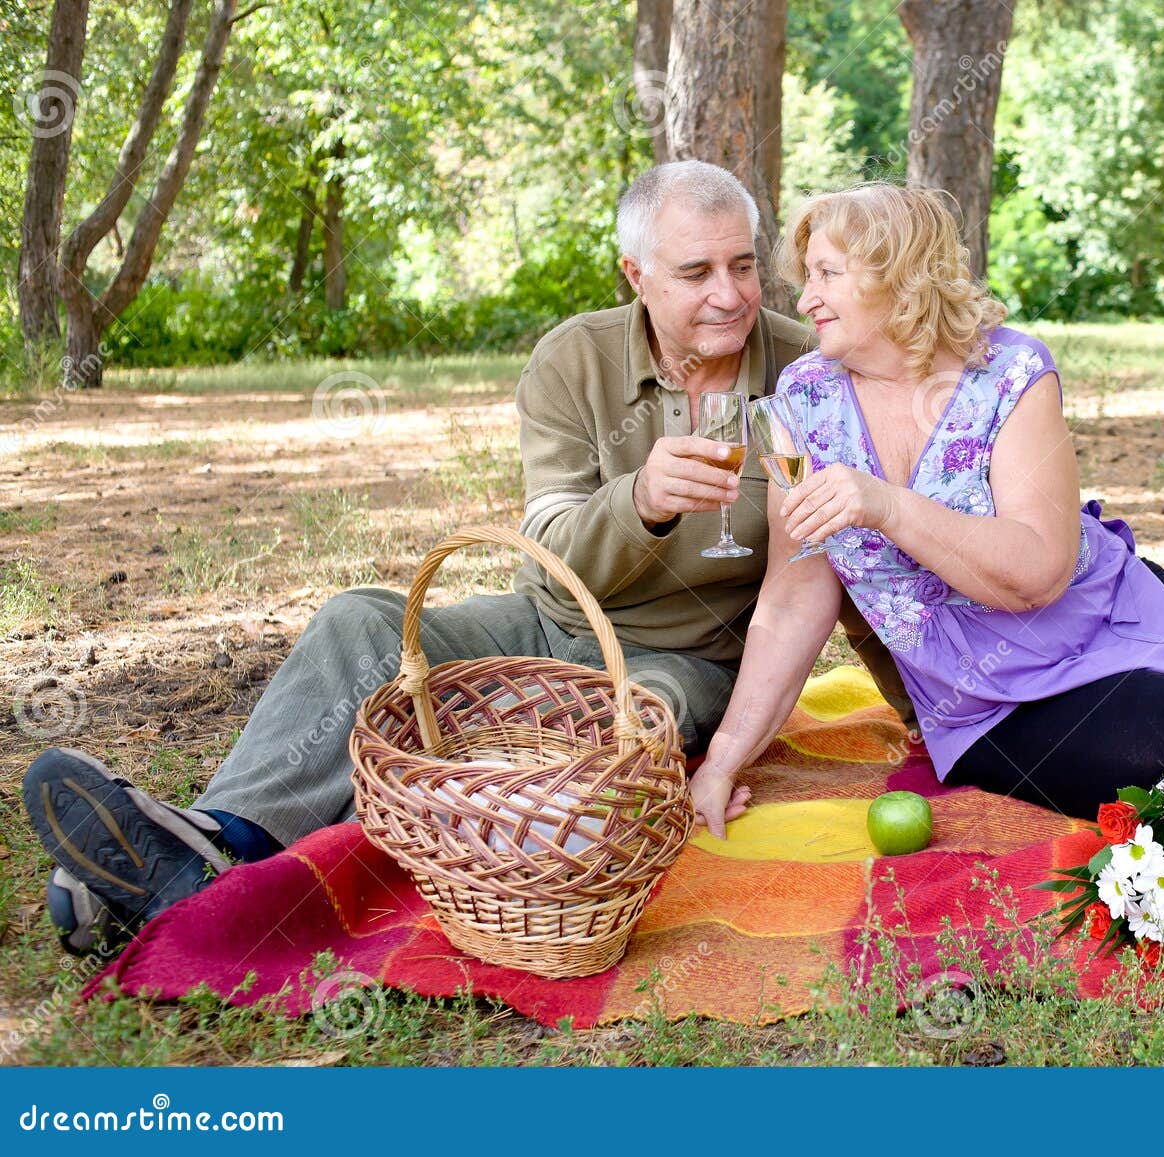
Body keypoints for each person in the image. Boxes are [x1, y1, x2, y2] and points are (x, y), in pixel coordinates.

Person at [23, 161, 911, 955]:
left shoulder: (809, 371)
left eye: (744, 264)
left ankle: (197, 874)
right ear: (636, 275)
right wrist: (638, 500)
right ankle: (220, 840)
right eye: (696, 272)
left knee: (626, 724)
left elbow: (856, 565)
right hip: (548, 619)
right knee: (360, 624)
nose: (731, 293)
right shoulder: (572, 360)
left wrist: (940, 716)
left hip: (682, 660)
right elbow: (552, 542)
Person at [689, 183, 1164, 837]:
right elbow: (792, 600)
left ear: (899, 278)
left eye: (827, 274)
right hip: (987, 695)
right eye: (806, 275)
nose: (806, 296)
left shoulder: (1011, 372)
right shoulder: (801, 404)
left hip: (1100, 603)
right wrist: (722, 759)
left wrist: (887, 505)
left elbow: (1036, 573)